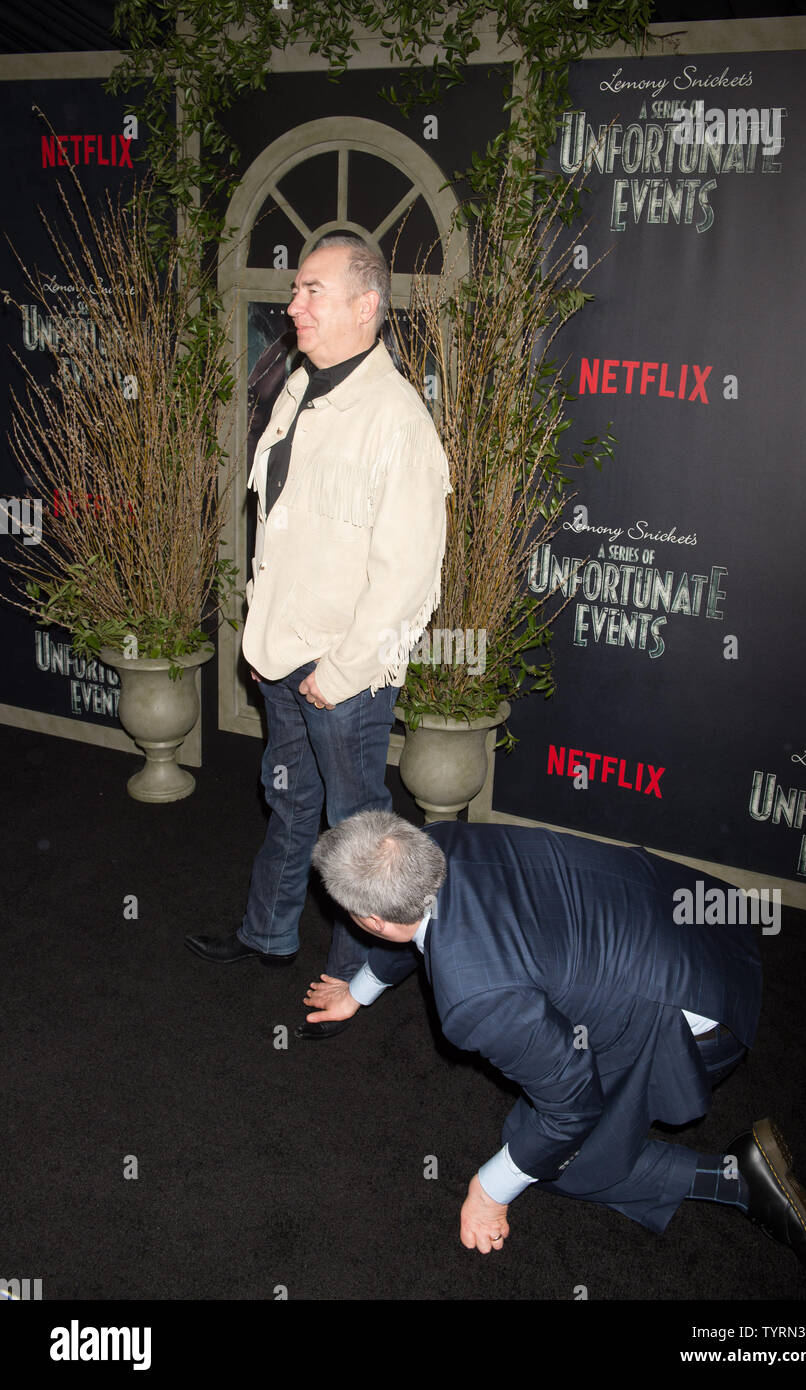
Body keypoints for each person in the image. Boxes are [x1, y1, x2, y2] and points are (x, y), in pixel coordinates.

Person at [304, 811, 806, 1286]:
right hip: (709, 918)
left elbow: (571, 1105)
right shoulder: (436, 843)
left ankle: (739, 1182)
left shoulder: (472, 996)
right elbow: (410, 918)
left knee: (563, 1159)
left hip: (697, 1015)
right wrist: (358, 990)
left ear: (371, 922)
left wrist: (488, 1192)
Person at [186, 237, 449, 1040]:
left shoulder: (399, 424)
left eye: (312, 291)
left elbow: (410, 579)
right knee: (289, 798)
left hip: (343, 673)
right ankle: (266, 932)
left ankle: (351, 974)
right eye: (295, 289)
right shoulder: (299, 386)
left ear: (366, 307)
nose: (292, 304)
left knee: (357, 830)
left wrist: (341, 671)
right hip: (281, 651)